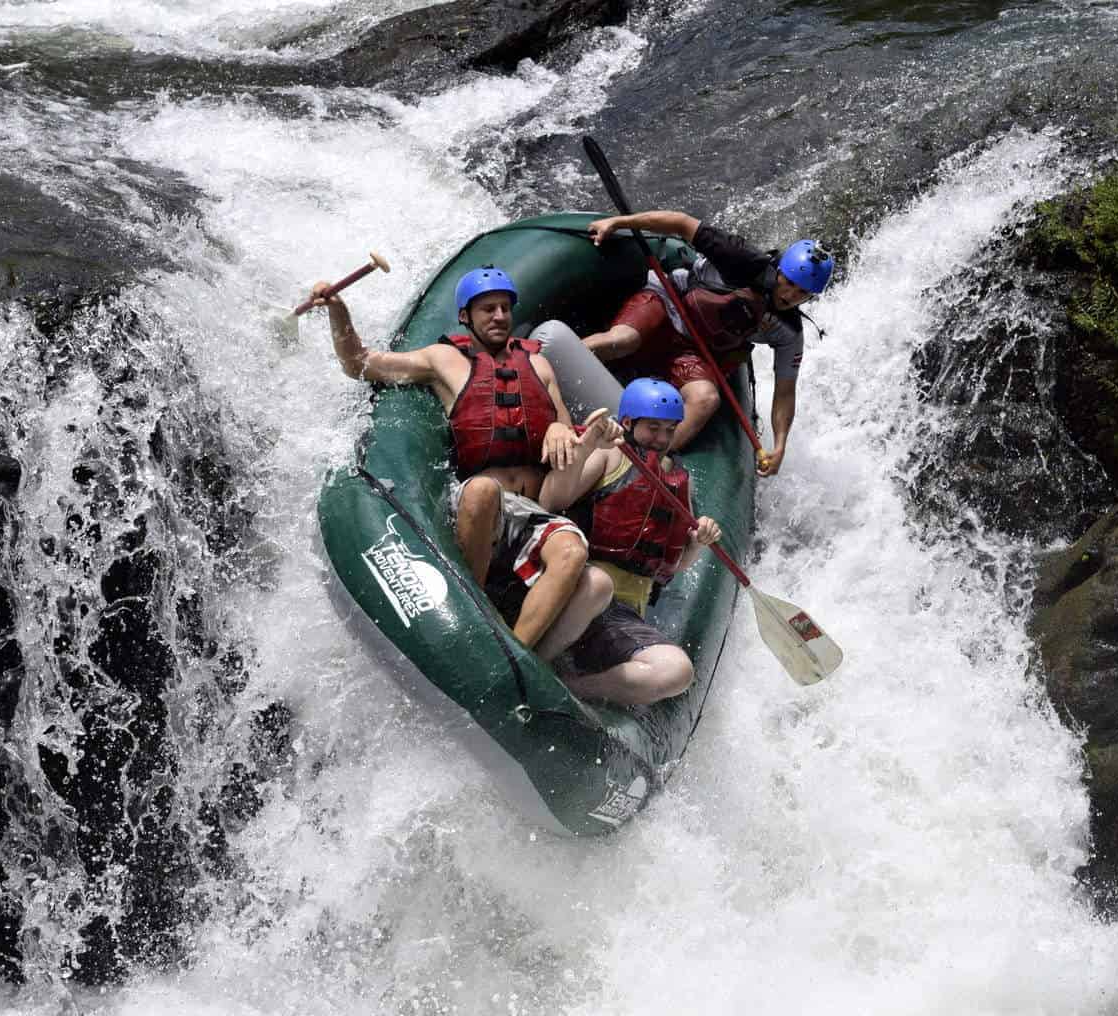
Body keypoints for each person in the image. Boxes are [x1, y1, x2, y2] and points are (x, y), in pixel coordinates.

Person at [304, 266, 611, 661]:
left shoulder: (539, 366)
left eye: (505, 308)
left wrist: (558, 428)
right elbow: (359, 362)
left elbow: (566, 438)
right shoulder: (443, 360)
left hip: (534, 509)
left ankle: (514, 657)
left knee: (571, 551)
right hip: (478, 501)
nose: (499, 316)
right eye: (488, 309)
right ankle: (475, 617)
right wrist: (337, 310)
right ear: (465, 316)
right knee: (483, 491)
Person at [580, 211, 835, 476]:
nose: (791, 295)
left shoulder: (789, 332)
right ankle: (555, 359)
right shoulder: (741, 258)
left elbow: (785, 392)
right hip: (668, 304)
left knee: (706, 399)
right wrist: (617, 222)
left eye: (802, 292)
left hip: (693, 351)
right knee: (623, 340)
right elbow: (681, 223)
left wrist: (780, 445)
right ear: (780, 270)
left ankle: (646, 464)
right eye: (789, 283)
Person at [538, 379, 723, 704]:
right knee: (598, 584)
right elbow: (551, 501)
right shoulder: (610, 454)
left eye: (670, 429)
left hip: (621, 616)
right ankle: (534, 663)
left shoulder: (678, 479)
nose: (662, 439)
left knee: (677, 671)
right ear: (627, 422)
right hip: (576, 588)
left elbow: (676, 564)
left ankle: (569, 690)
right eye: (653, 428)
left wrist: (697, 542)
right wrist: (587, 445)